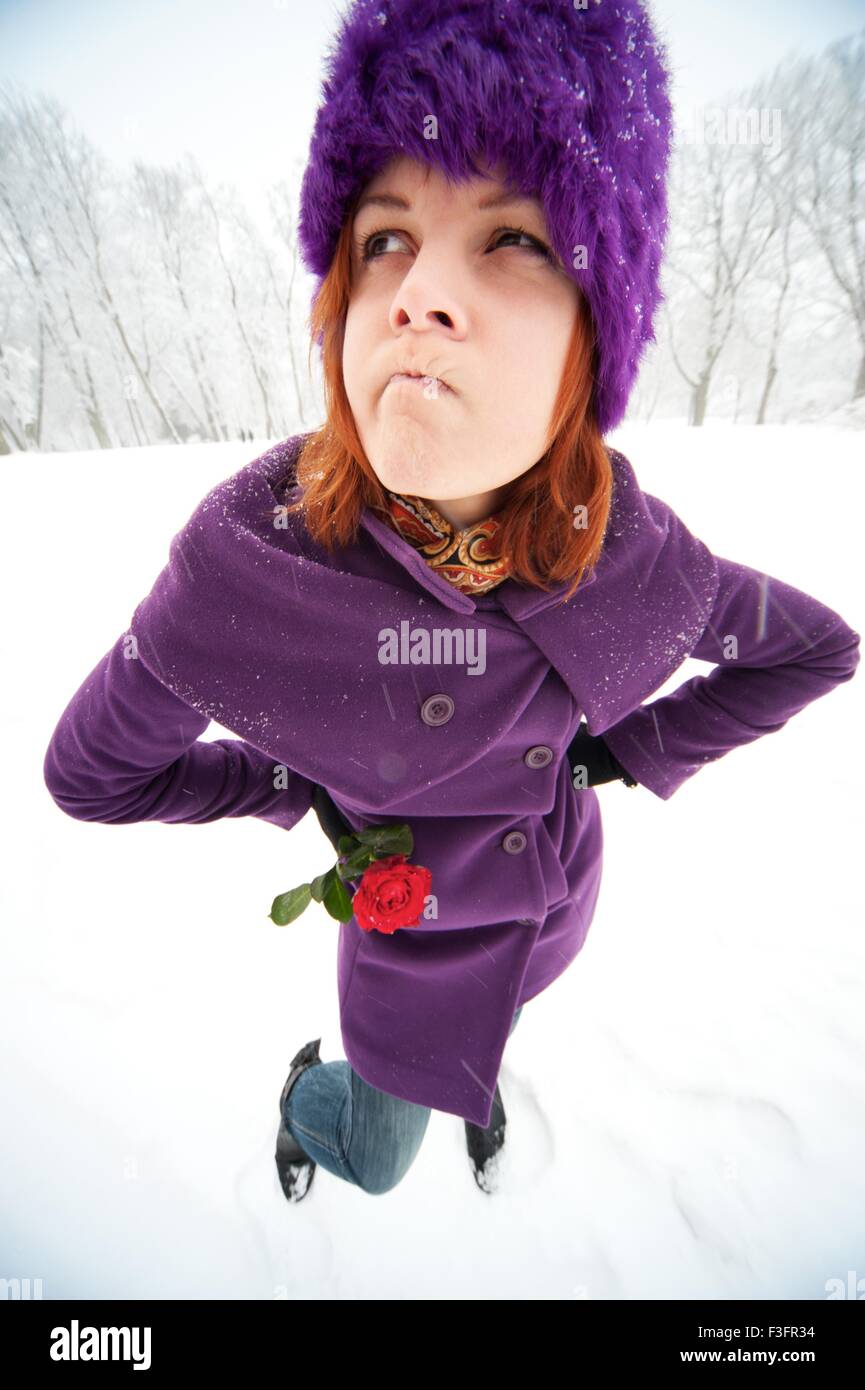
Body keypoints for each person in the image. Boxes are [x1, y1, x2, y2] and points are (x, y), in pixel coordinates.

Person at [43, 0, 860, 1204]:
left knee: (491, 1033)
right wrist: (293, 783)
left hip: (549, 917)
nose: (419, 293)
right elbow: (92, 777)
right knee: (378, 1161)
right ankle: (306, 1100)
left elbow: (814, 651)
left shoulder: (625, 554)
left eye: (515, 238)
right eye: (383, 239)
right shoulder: (249, 569)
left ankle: (472, 1070)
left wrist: (617, 759)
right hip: (404, 955)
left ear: (596, 332)